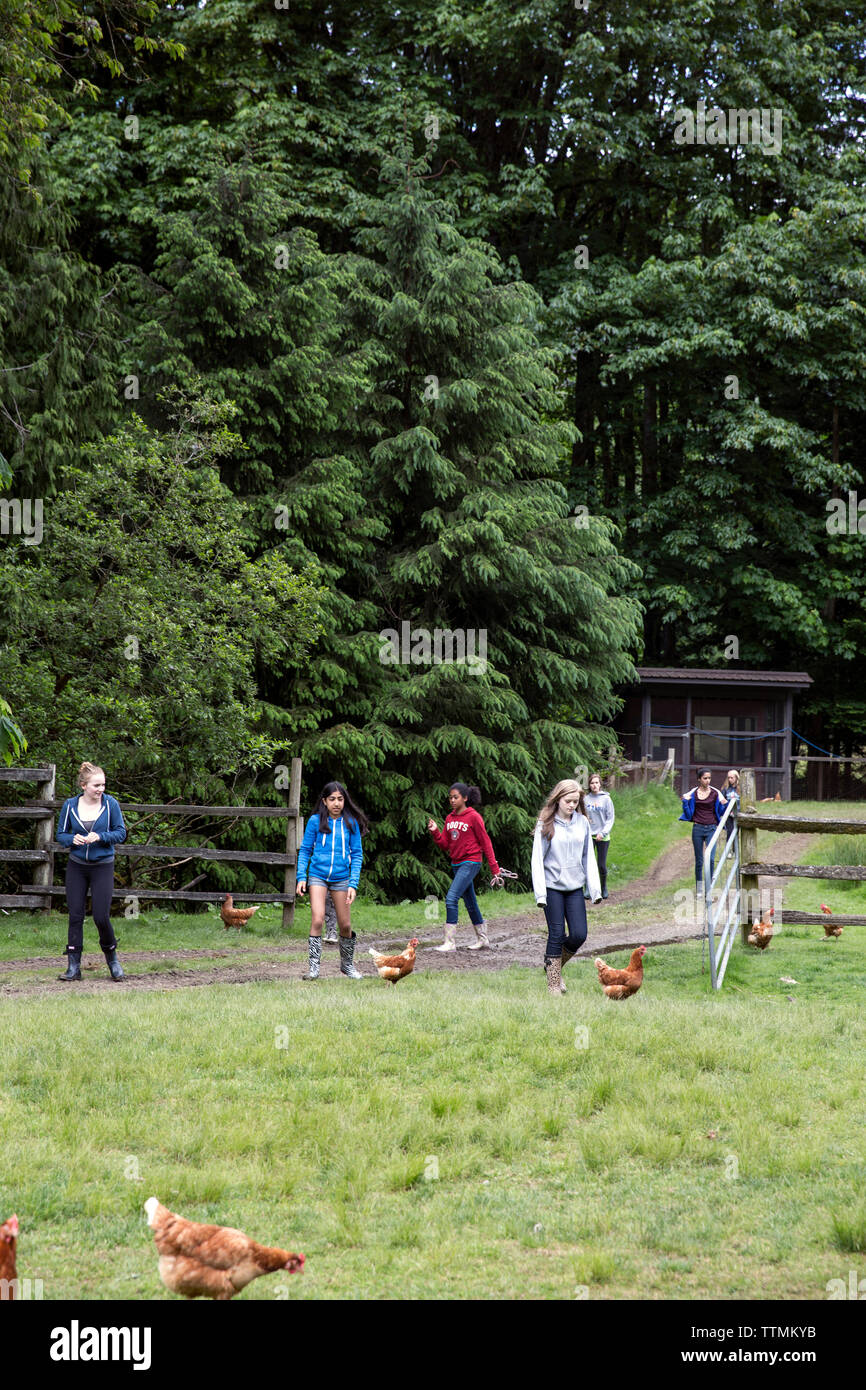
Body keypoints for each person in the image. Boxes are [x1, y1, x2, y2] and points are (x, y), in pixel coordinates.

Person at [55, 762, 127, 981]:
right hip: (77, 866)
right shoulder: (69, 805)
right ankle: (73, 967)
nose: (101, 789)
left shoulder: (111, 804)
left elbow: (121, 833)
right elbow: (61, 834)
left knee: (100, 916)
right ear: (84, 785)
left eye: (103, 785)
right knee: (75, 915)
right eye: (96, 785)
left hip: (102, 866)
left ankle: (113, 961)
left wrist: (101, 836)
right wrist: (71, 839)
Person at [531, 779, 601, 995]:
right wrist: (540, 893)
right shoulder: (545, 824)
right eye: (568, 801)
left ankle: (552, 966)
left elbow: (589, 857)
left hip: (574, 888)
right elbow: (537, 860)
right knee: (557, 933)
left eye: (575, 801)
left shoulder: (582, 823)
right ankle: (553, 984)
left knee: (579, 934)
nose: (572, 805)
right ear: (558, 799)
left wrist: (595, 890)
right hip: (552, 887)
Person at [296, 781, 367, 980]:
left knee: (345, 926)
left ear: (345, 801)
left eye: (340, 799)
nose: (336, 803)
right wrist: (302, 877)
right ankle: (314, 969)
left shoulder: (351, 823)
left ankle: (347, 965)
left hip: (342, 878)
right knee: (317, 918)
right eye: (332, 799)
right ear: (324, 802)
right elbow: (305, 851)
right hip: (317, 875)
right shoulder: (314, 822)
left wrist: (353, 884)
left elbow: (357, 855)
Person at [428, 783, 500, 951]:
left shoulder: (474, 817)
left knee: (451, 898)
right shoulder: (449, 818)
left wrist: (494, 868)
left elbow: (486, 843)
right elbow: (445, 845)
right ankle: (483, 939)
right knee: (470, 902)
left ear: (465, 798)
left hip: (471, 862)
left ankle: (450, 942)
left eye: (456, 797)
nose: (452, 800)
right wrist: (436, 832)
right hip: (456, 864)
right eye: (450, 798)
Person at [679, 768, 727, 900]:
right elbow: (689, 814)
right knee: (699, 861)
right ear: (699, 779)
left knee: (710, 859)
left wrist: (725, 804)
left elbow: (722, 810)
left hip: (712, 828)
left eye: (709, 778)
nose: (707, 781)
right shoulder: (693, 794)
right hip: (697, 829)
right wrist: (685, 803)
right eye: (705, 778)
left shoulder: (716, 793)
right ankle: (699, 890)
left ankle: (709, 890)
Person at [583, 773, 615, 900]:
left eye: (596, 782)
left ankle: (603, 887)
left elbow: (610, 818)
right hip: (589, 836)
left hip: (603, 836)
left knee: (601, 864)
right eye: (592, 783)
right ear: (589, 785)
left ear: (600, 784)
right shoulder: (585, 799)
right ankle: (587, 888)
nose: (594, 785)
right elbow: (582, 817)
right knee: (587, 863)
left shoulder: (606, 799)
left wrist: (603, 833)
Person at [720, 769, 740, 842]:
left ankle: (735, 851)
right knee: (729, 832)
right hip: (728, 815)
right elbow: (722, 800)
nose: (730, 779)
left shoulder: (740, 789)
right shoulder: (725, 789)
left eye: (732, 778)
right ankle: (728, 851)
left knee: (736, 834)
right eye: (728, 778)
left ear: (736, 778)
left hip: (738, 814)